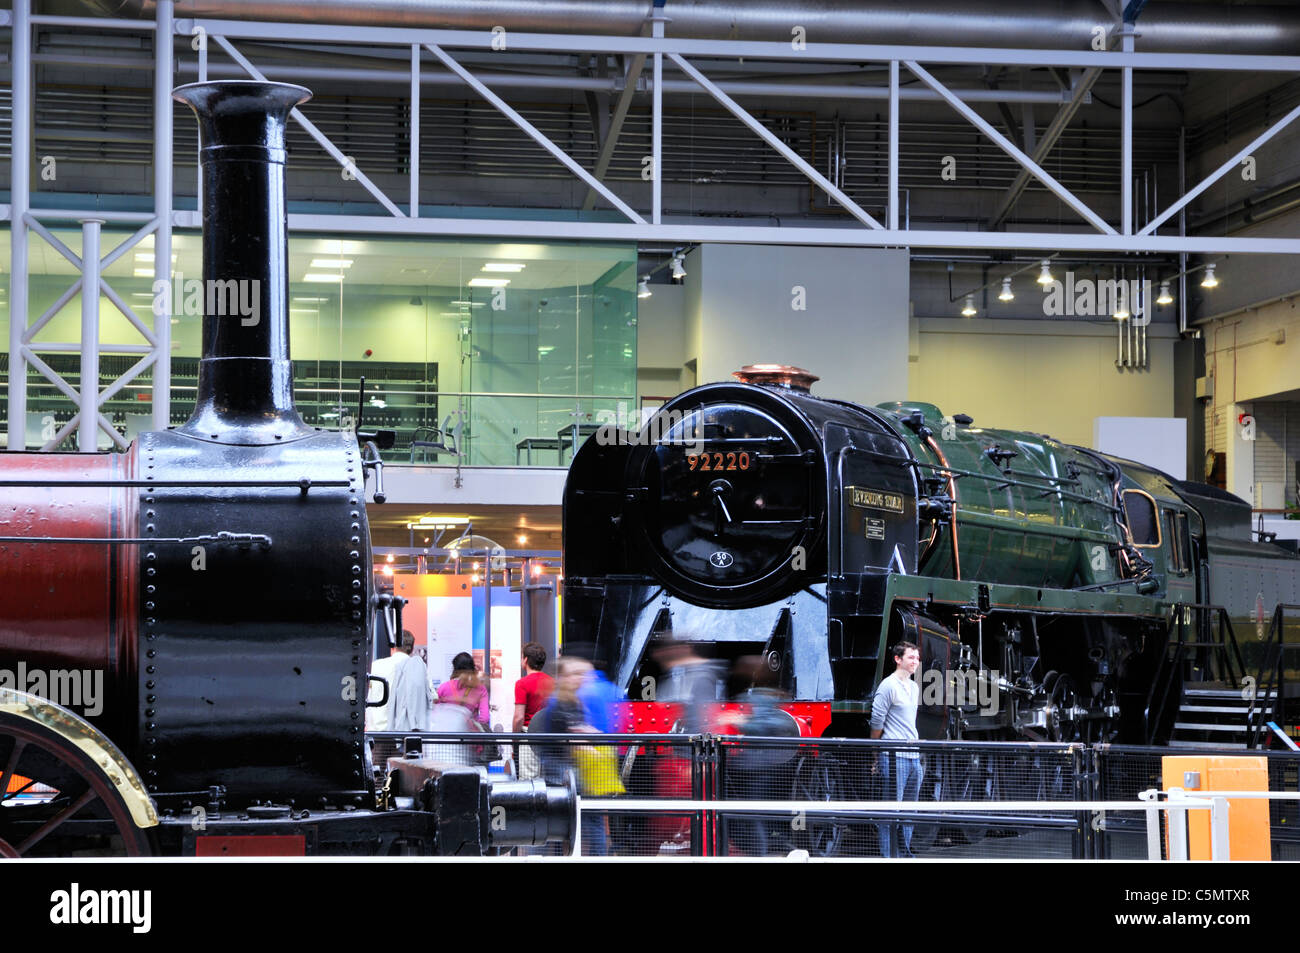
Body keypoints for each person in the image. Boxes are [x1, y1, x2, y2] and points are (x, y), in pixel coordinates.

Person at [531, 657, 611, 855]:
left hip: (568, 774)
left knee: (572, 823)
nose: (580, 679)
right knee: (582, 821)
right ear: (564, 677)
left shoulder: (571, 701)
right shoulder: (561, 702)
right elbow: (571, 736)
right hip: (563, 775)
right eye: (575, 674)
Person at [871, 640, 923, 858]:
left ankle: (903, 853)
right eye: (911, 657)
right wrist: (876, 753)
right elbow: (876, 721)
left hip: (913, 756)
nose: (916, 662)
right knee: (891, 810)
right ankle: (889, 856)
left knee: (910, 811)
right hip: (894, 755)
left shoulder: (914, 687)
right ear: (897, 659)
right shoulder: (888, 686)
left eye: (917, 658)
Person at [513, 642, 553, 780]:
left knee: (529, 783)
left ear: (525, 659)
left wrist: (514, 738)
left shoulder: (522, 684)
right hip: (549, 738)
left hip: (528, 736)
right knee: (547, 783)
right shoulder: (552, 682)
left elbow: (519, 717)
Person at [387, 630, 431, 733]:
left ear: (392, 646)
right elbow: (430, 696)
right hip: (406, 732)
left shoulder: (376, 666)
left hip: (378, 733)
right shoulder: (421, 669)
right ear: (411, 648)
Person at [436, 651, 489, 729]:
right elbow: (485, 718)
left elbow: (437, 715)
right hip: (470, 736)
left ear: (454, 668)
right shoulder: (480, 689)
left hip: (448, 734)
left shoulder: (443, 688)